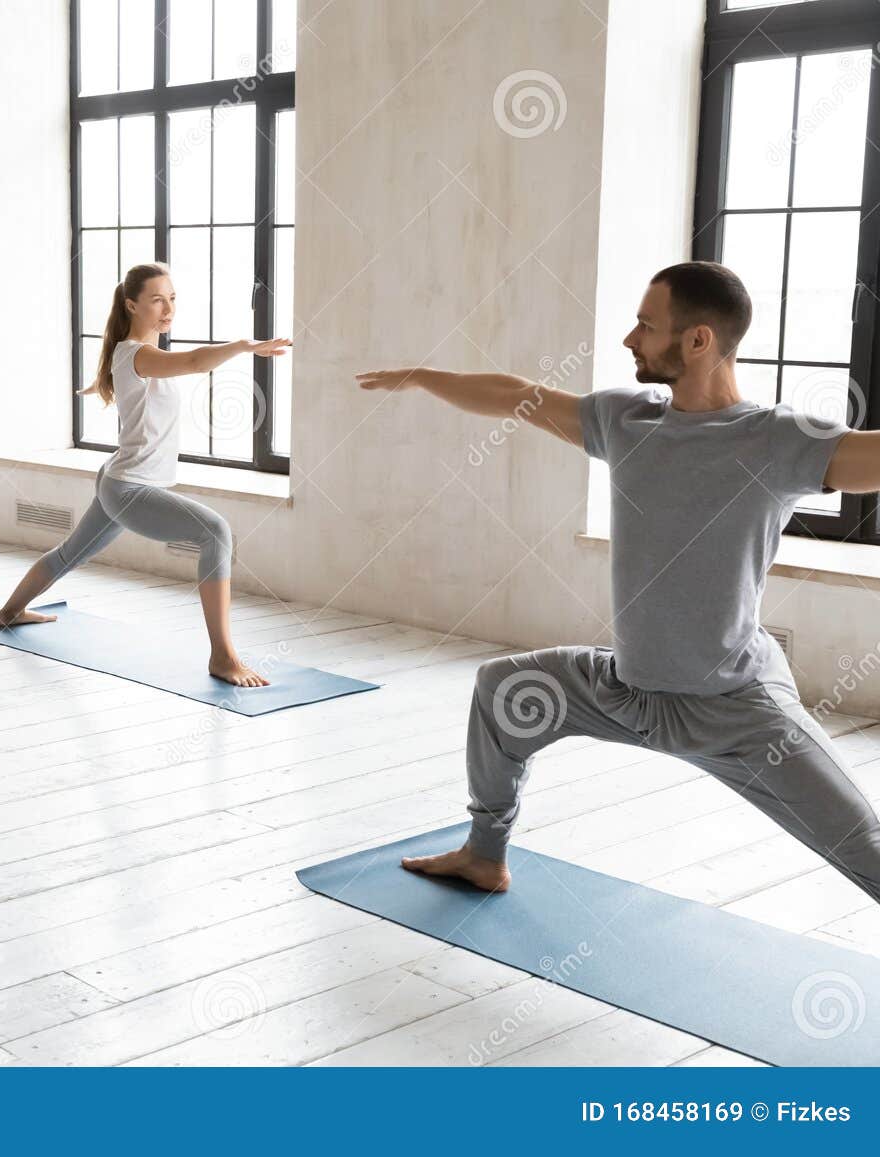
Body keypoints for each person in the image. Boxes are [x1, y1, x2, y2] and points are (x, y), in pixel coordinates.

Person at [358, 260, 880, 904]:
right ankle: (482, 856)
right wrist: (421, 377)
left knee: (868, 851)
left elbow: (871, 457)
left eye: (645, 324)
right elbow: (515, 395)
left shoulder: (774, 440)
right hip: (626, 690)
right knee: (502, 691)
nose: (630, 339)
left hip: (735, 710)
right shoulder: (626, 419)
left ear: (698, 341)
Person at [0, 262, 291, 688]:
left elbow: (141, 374)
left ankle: (9, 612)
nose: (167, 309)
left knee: (69, 555)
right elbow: (192, 360)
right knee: (217, 532)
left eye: (172, 298)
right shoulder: (137, 353)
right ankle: (223, 657)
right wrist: (244, 345)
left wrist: (105, 382)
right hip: (130, 488)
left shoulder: (130, 355)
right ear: (132, 305)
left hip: (119, 480)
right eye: (156, 300)